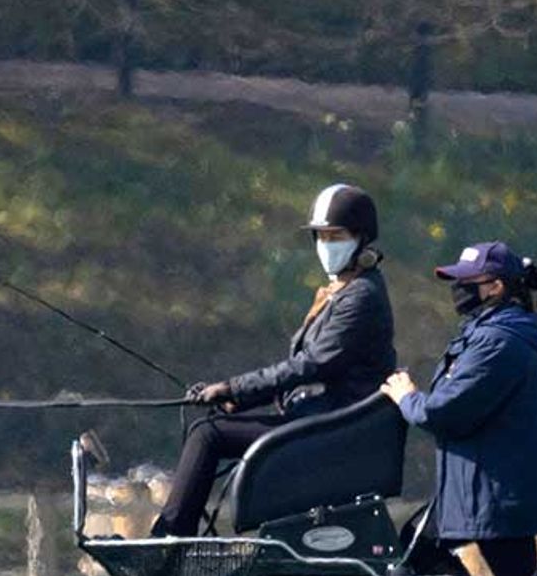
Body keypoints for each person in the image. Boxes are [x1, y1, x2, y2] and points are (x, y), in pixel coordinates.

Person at [151, 184, 397, 537]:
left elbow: (312, 365)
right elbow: (305, 371)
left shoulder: (362, 296)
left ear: (361, 239)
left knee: (208, 435)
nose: (326, 246)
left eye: (336, 236)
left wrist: (234, 386)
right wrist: (241, 398)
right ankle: (175, 536)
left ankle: (170, 538)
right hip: (319, 418)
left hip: (335, 427)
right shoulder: (340, 292)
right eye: (320, 237)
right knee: (209, 429)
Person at [379, 240, 537, 576]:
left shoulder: (500, 342)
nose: (457, 290)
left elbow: (445, 411)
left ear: (495, 287)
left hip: (495, 492)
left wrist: (407, 398)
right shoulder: (492, 333)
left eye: (466, 282)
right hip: (482, 488)